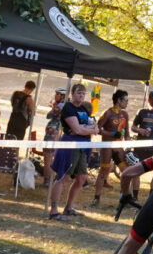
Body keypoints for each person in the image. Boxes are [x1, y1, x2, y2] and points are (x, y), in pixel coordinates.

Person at [47, 84, 99, 221]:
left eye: (83, 93)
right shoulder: (68, 108)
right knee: (63, 177)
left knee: (81, 178)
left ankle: (68, 208)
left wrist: (87, 129)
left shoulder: (84, 109)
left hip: (84, 146)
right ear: (73, 93)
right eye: (79, 93)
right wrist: (87, 129)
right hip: (70, 145)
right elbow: (76, 130)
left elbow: (95, 128)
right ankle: (53, 210)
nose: (81, 96)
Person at [92, 89, 132, 209]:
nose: (127, 103)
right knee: (103, 172)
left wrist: (129, 147)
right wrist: (111, 134)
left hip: (119, 147)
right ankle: (96, 199)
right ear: (119, 100)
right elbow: (97, 129)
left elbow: (127, 133)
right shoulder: (108, 113)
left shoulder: (125, 114)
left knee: (126, 172)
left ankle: (124, 198)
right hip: (107, 146)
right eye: (126, 100)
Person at [41, 87, 67, 186]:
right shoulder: (63, 104)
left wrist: (53, 107)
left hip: (52, 134)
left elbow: (49, 115)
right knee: (50, 158)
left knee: (47, 158)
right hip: (55, 133)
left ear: (62, 96)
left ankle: (47, 180)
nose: (55, 96)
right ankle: (49, 179)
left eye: (57, 94)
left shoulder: (61, 105)